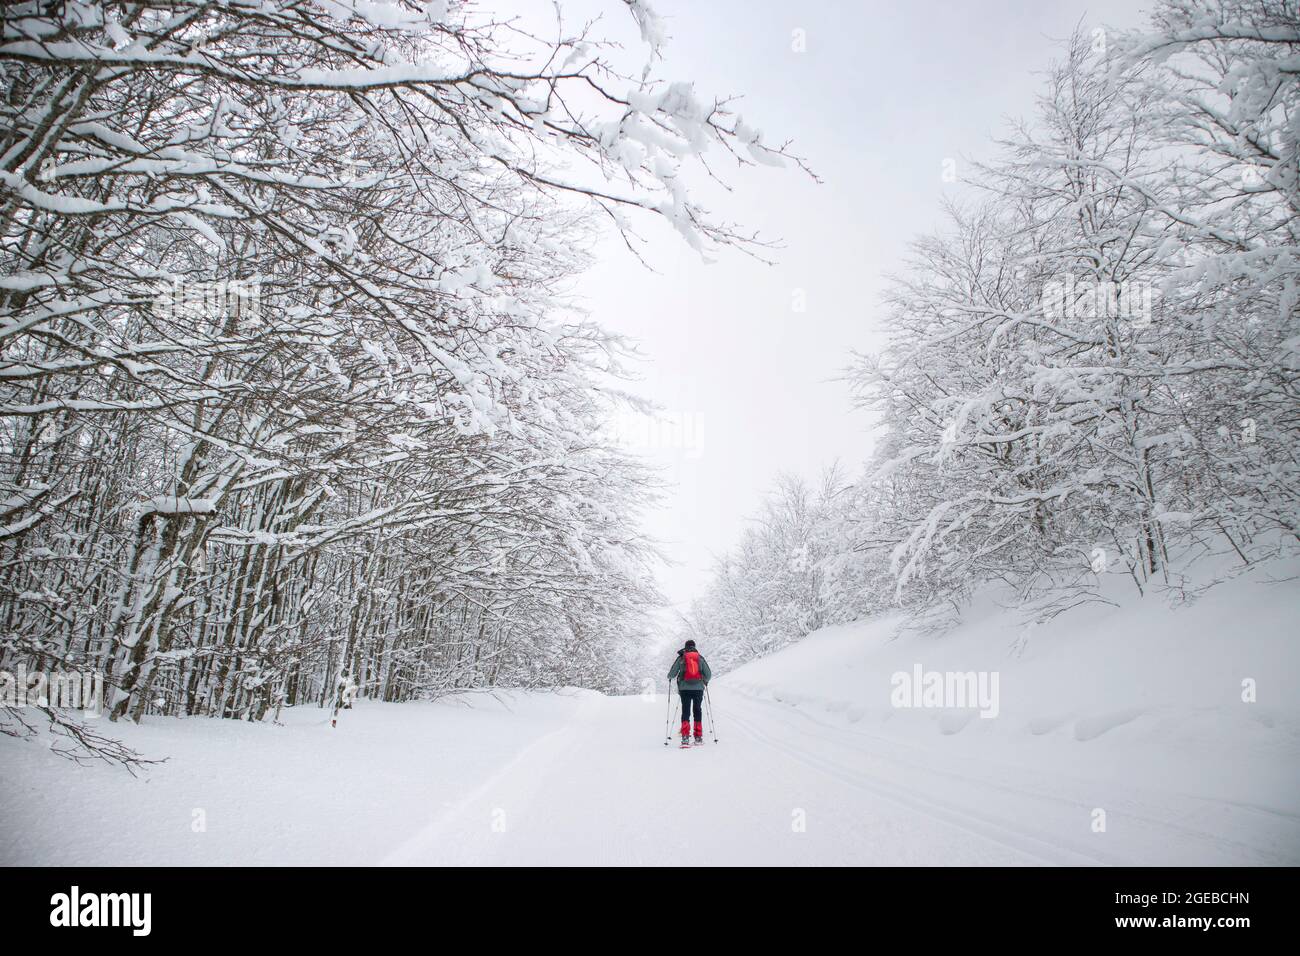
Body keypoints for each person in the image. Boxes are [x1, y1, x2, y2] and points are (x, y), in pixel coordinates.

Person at [668, 639, 712, 744]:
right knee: (697, 710)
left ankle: (685, 737)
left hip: (685, 689)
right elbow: (709, 674)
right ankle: (698, 737)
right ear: (694, 646)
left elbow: (672, 673)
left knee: (686, 711)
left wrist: (669, 677)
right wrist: (704, 681)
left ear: (686, 647)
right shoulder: (700, 658)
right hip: (698, 689)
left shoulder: (681, 658)